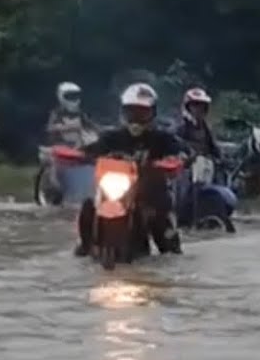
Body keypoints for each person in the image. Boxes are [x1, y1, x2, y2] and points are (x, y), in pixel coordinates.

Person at [74, 82, 187, 257]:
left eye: (142, 113)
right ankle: (85, 245)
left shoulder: (162, 138)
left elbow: (182, 151)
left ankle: (170, 250)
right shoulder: (112, 137)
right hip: (114, 193)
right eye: (131, 112)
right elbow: (90, 150)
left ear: (153, 114)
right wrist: (76, 155)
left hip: (150, 195)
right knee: (88, 206)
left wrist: (177, 159)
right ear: (123, 113)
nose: (136, 118)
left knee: (167, 241)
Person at [46, 82, 96, 146]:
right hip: (63, 147)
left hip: (81, 146)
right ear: (61, 96)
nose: (76, 100)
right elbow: (50, 129)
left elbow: (92, 125)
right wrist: (70, 127)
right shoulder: (57, 113)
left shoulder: (81, 113)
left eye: (76, 96)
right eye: (71, 96)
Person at [175, 87, 220, 159]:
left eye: (202, 105)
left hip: (205, 166)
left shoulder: (206, 129)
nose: (199, 108)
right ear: (188, 107)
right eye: (196, 104)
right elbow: (175, 147)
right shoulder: (180, 127)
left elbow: (215, 150)